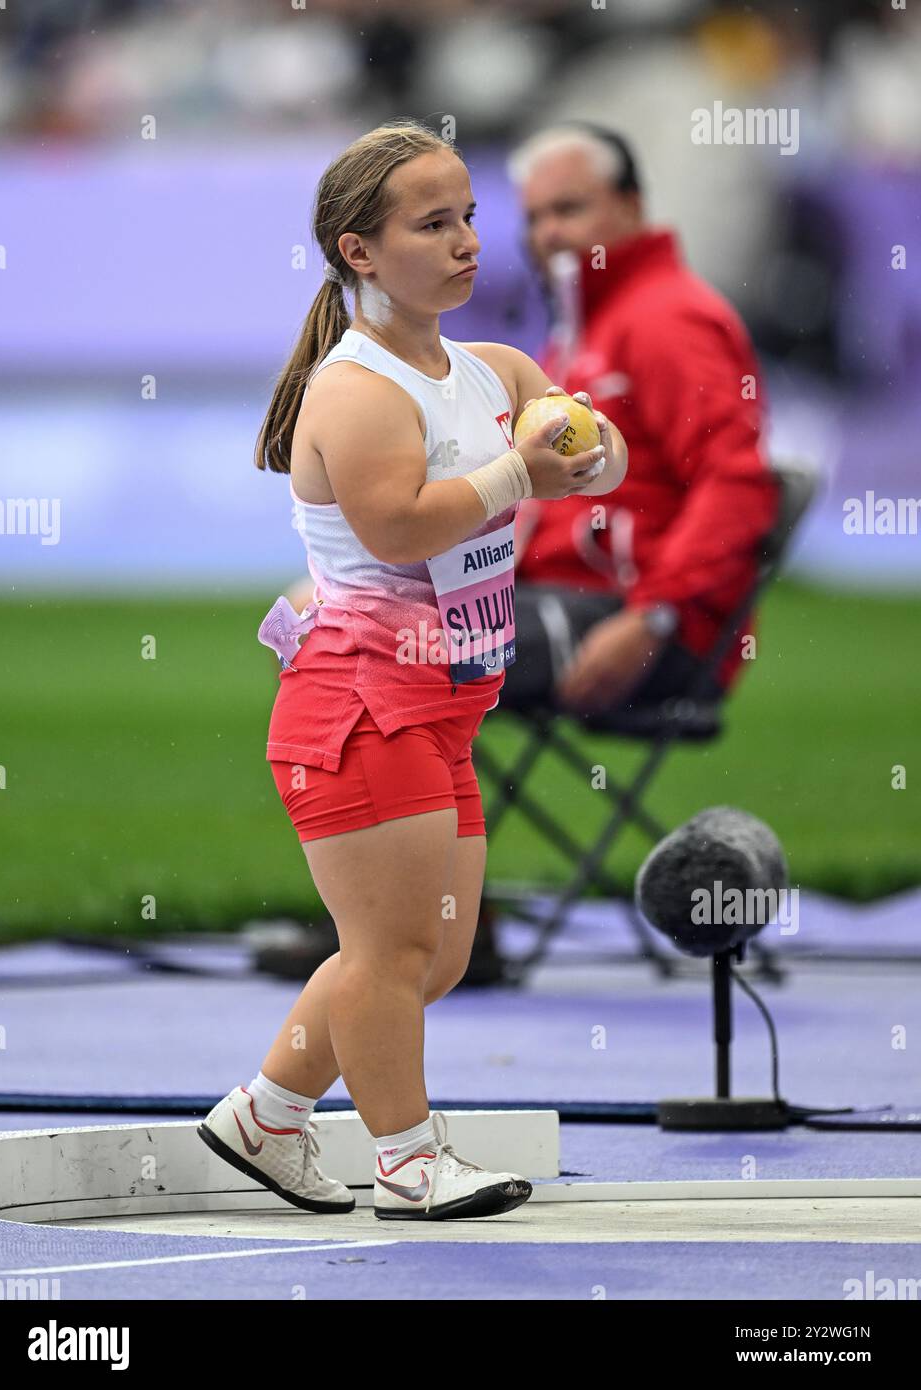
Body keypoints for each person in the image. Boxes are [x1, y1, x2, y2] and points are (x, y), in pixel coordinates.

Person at [197, 120, 628, 1222]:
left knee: (428, 958)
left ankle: (266, 1115)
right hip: (358, 699)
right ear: (360, 252)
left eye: (470, 216)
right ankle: (406, 1158)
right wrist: (516, 471)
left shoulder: (492, 373)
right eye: (433, 225)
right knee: (386, 949)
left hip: (441, 702)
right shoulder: (354, 389)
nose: (468, 242)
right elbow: (396, 529)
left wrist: (586, 448)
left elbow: (595, 453)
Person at [498, 122, 781, 716]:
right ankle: (437, 812)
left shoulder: (668, 319)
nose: (548, 233)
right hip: (564, 600)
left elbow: (738, 484)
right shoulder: (589, 324)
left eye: (569, 209)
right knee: (331, 615)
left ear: (632, 205)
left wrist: (656, 614)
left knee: (381, 647)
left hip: (636, 619)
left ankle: (433, 811)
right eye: (534, 217)